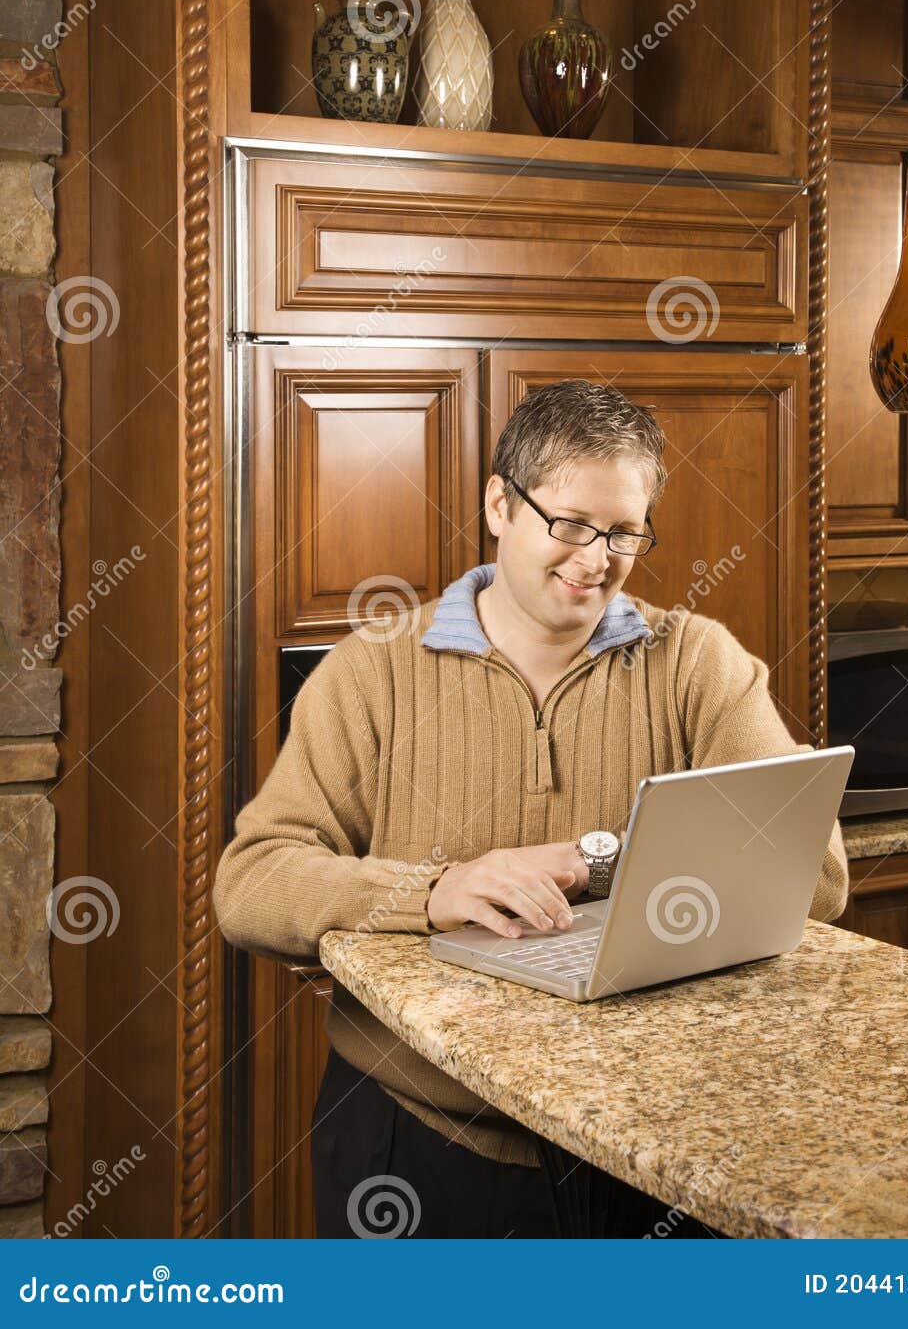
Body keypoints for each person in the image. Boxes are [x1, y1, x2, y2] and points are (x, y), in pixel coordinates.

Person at [213, 378, 849, 1238]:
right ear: (497, 506)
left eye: (624, 531)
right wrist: (436, 891)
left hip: (654, 1150)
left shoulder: (697, 661)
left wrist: (595, 862)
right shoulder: (374, 671)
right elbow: (251, 885)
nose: (596, 559)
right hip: (421, 1141)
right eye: (571, 524)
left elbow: (814, 875)